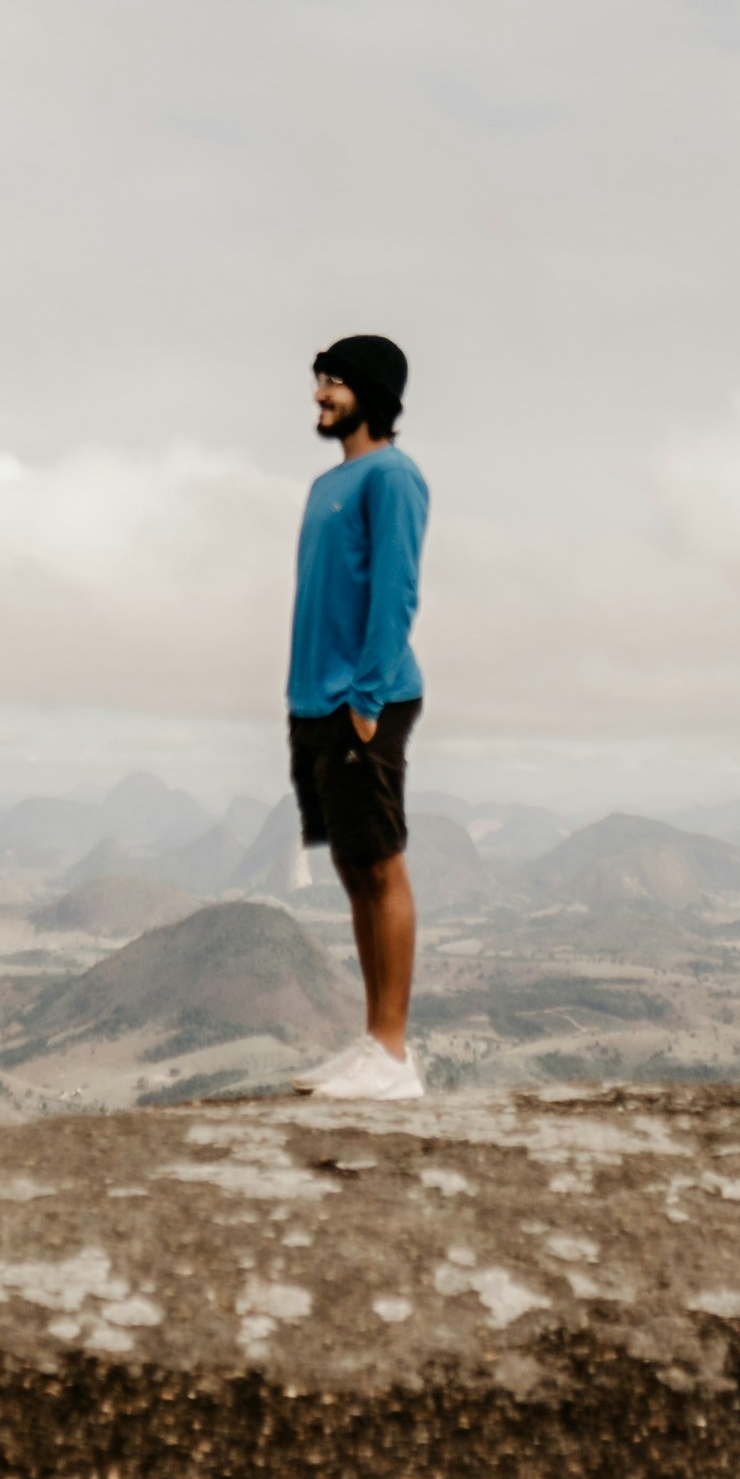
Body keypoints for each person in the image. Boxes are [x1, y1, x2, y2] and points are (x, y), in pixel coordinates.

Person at [286, 332, 428, 1101]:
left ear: (369, 392)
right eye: (318, 381)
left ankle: (394, 1056)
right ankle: (374, 1041)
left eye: (333, 381)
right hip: (317, 702)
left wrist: (367, 698)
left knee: (380, 862)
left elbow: (396, 591)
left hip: (362, 700)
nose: (319, 394)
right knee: (351, 867)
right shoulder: (324, 486)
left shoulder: (393, 477)